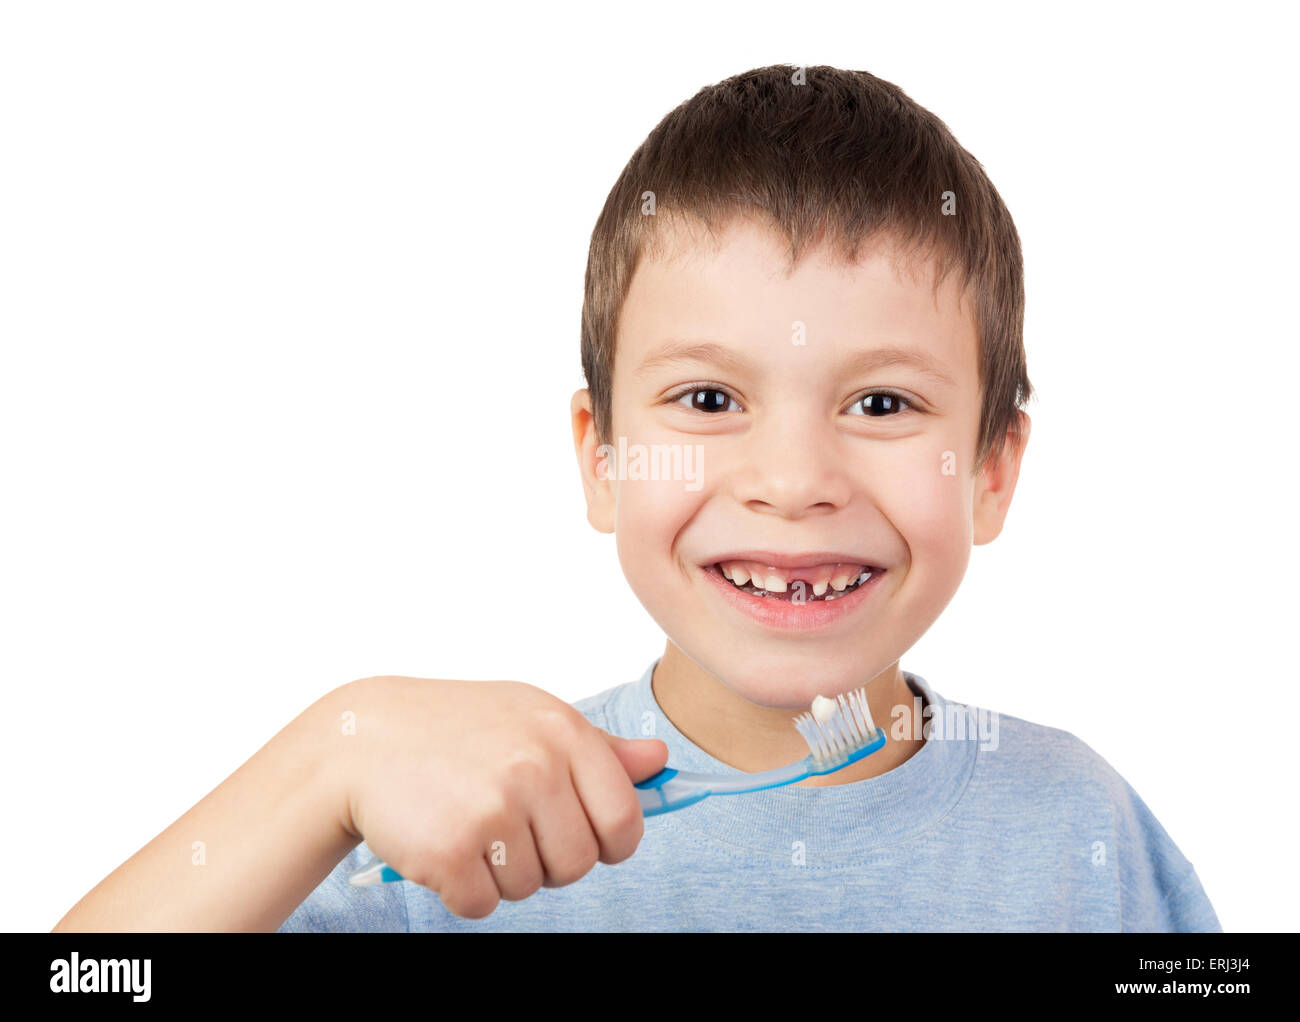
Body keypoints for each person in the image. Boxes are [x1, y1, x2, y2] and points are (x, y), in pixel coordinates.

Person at [53, 64, 1220, 933]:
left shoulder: (1083, 834)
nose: (792, 482)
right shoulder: (454, 838)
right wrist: (324, 760)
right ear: (600, 457)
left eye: (880, 406)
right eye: (708, 398)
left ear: (993, 467)